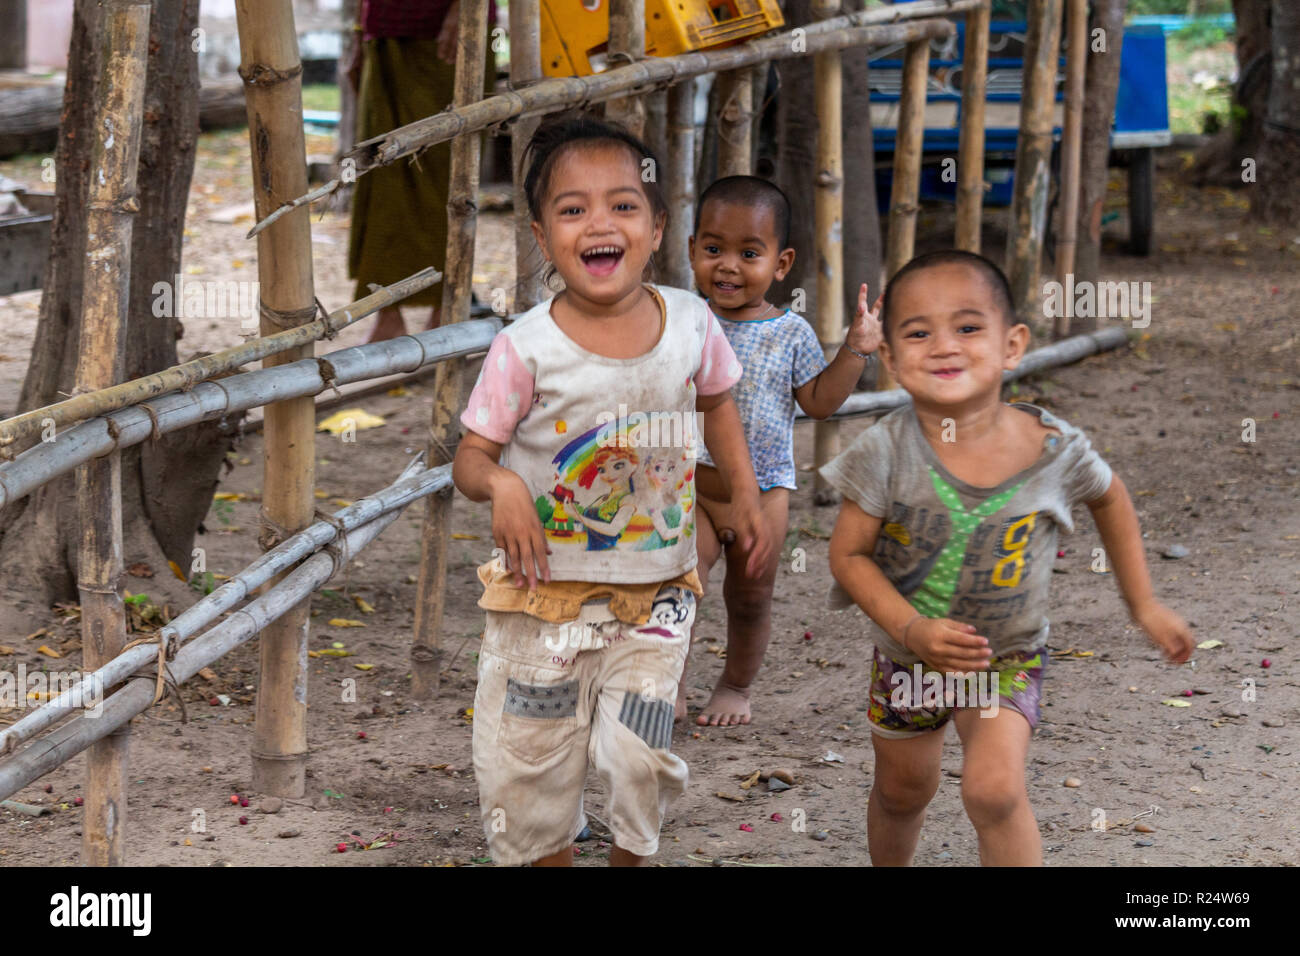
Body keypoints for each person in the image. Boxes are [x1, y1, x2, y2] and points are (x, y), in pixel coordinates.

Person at [452, 115, 772, 867]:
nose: (600, 222)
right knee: (529, 770)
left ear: (657, 228)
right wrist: (499, 483)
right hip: (542, 606)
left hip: (655, 601)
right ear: (542, 236)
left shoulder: (692, 324)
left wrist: (745, 493)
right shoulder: (524, 348)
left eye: (624, 205)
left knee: (640, 757)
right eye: (573, 209)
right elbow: (471, 457)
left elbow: (718, 401)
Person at [822, 249, 1194, 866]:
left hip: (1007, 657)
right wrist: (911, 627)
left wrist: (1143, 601)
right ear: (888, 357)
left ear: (1012, 345)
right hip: (907, 661)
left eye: (968, 328)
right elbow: (849, 556)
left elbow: (1110, 497)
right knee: (902, 790)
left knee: (994, 793)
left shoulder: (1052, 449)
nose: (944, 346)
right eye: (919, 332)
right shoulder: (884, 449)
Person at [682, 175, 883, 726]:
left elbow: (818, 402)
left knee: (750, 599)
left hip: (765, 491)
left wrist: (855, 351)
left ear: (782, 262)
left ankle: (735, 685)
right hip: (691, 488)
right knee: (679, 593)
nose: (727, 265)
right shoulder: (681, 321)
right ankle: (668, 685)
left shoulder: (788, 331)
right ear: (691, 249)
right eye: (713, 249)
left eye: (749, 253)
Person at [346, 0, 485, 342]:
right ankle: (386, 311)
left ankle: (447, 308)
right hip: (383, 32)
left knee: (445, 172)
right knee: (380, 171)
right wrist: (359, 34)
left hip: (445, 33)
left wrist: (462, 10)